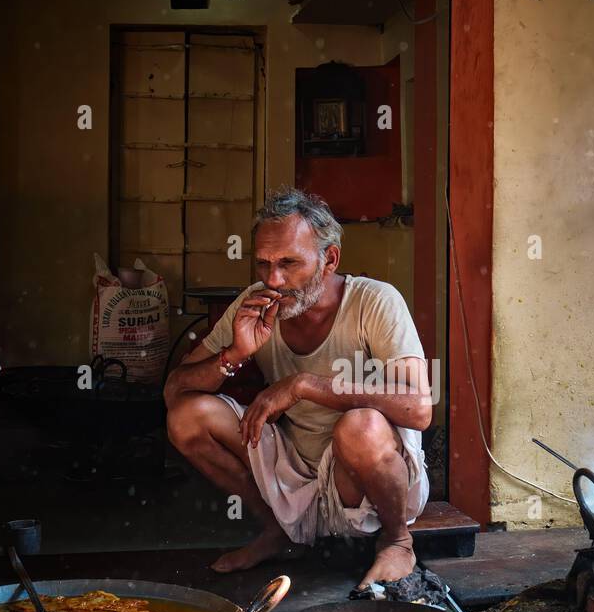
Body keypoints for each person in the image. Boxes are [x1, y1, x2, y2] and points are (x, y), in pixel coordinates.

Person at [164, 187, 432, 589]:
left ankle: (397, 541)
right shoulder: (254, 304)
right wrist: (235, 353)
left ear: (329, 259)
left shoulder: (375, 302)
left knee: (359, 426)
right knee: (187, 418)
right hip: (293, 470)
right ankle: (278, 533)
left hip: (364, 476)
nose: (274, 279)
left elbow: (419, 410)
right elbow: (174, 392)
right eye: (264, 264)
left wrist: (303, 385)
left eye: (289, 263)